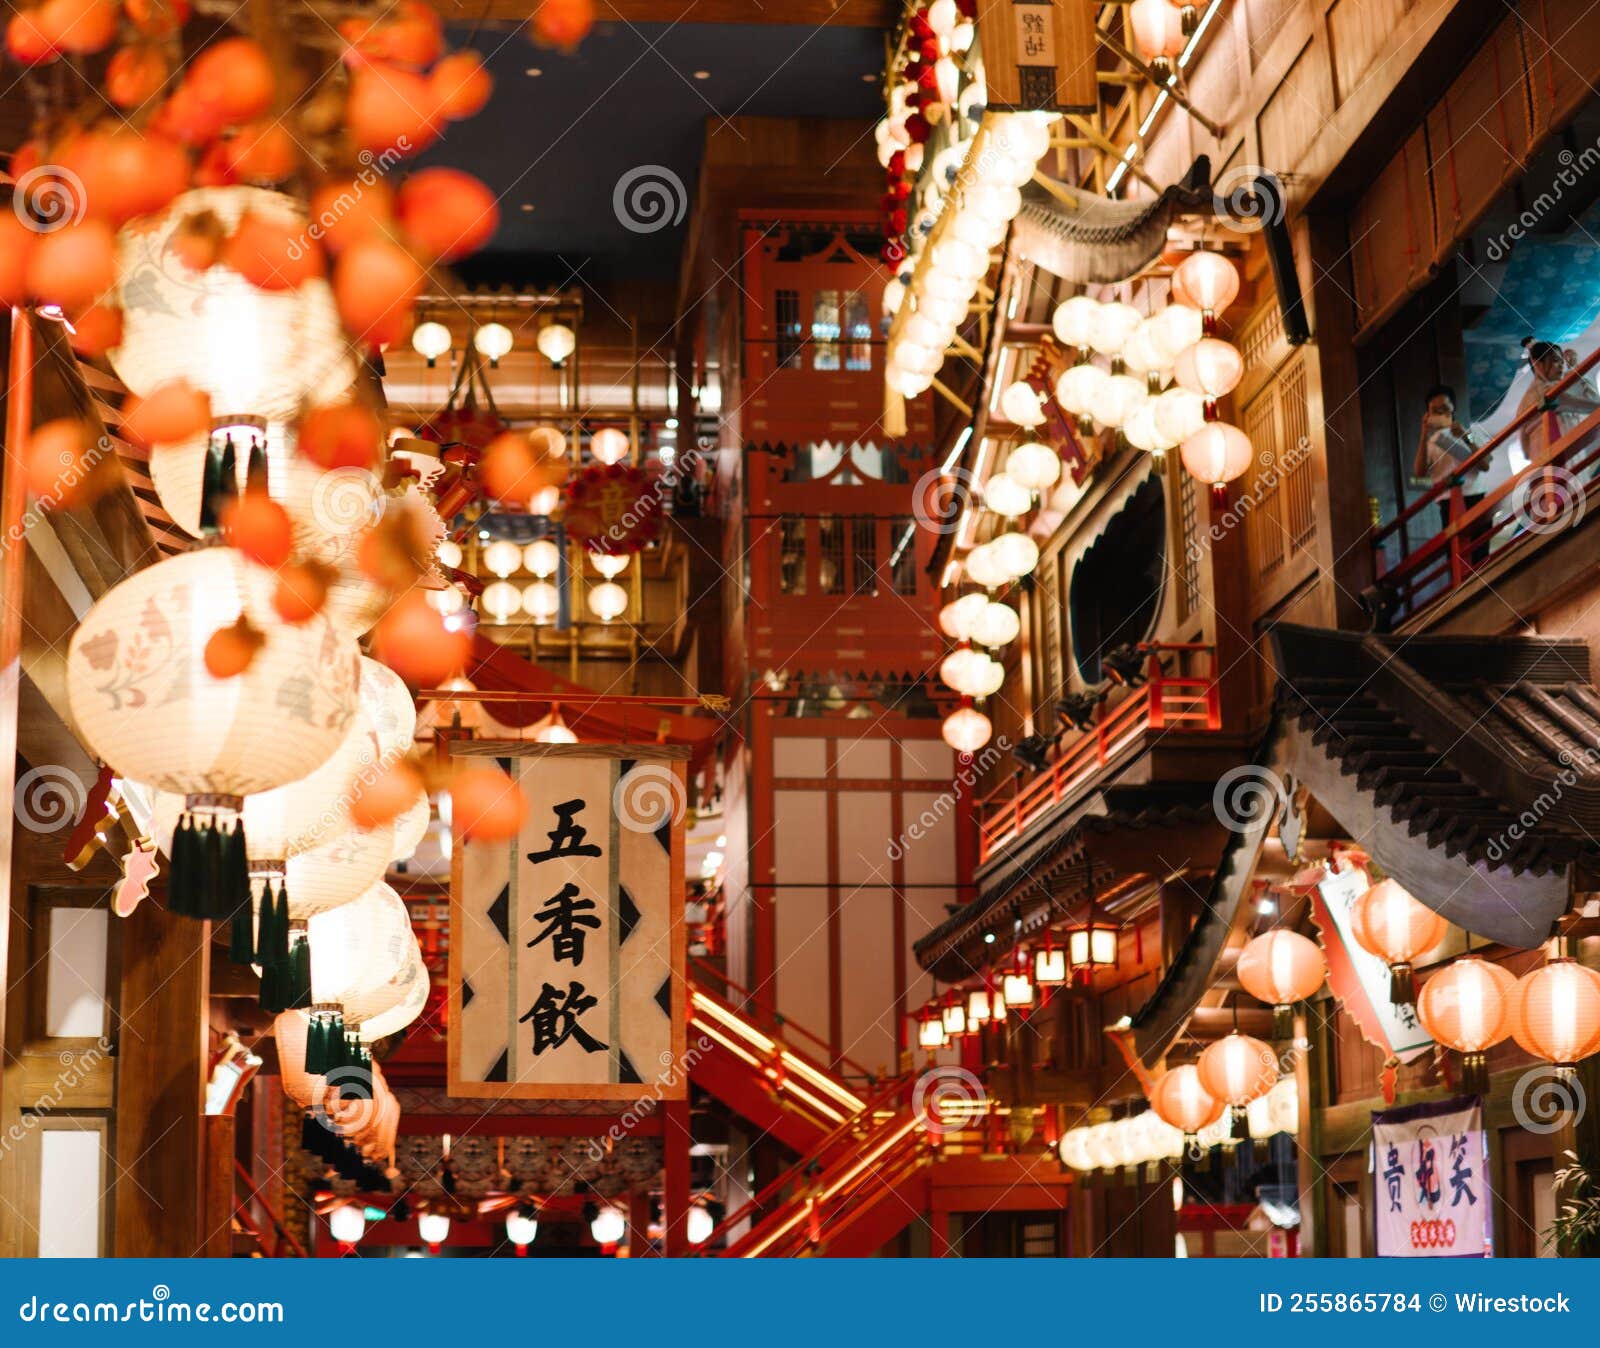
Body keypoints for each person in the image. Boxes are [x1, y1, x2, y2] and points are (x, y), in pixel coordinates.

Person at [1412, 385, 1485, 563]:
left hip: (1475, 496)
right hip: (1448, 502)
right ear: (1428, 415)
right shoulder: (1430, 442)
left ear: (1454, 408)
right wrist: (1423, 433)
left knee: (1480, 553)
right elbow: (1418, 474)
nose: (1440, 413)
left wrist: (1465, 436)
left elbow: (1485, 464)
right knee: (1457, 557)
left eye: (1444, 408)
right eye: (1435, 411)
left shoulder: (1470, 434)